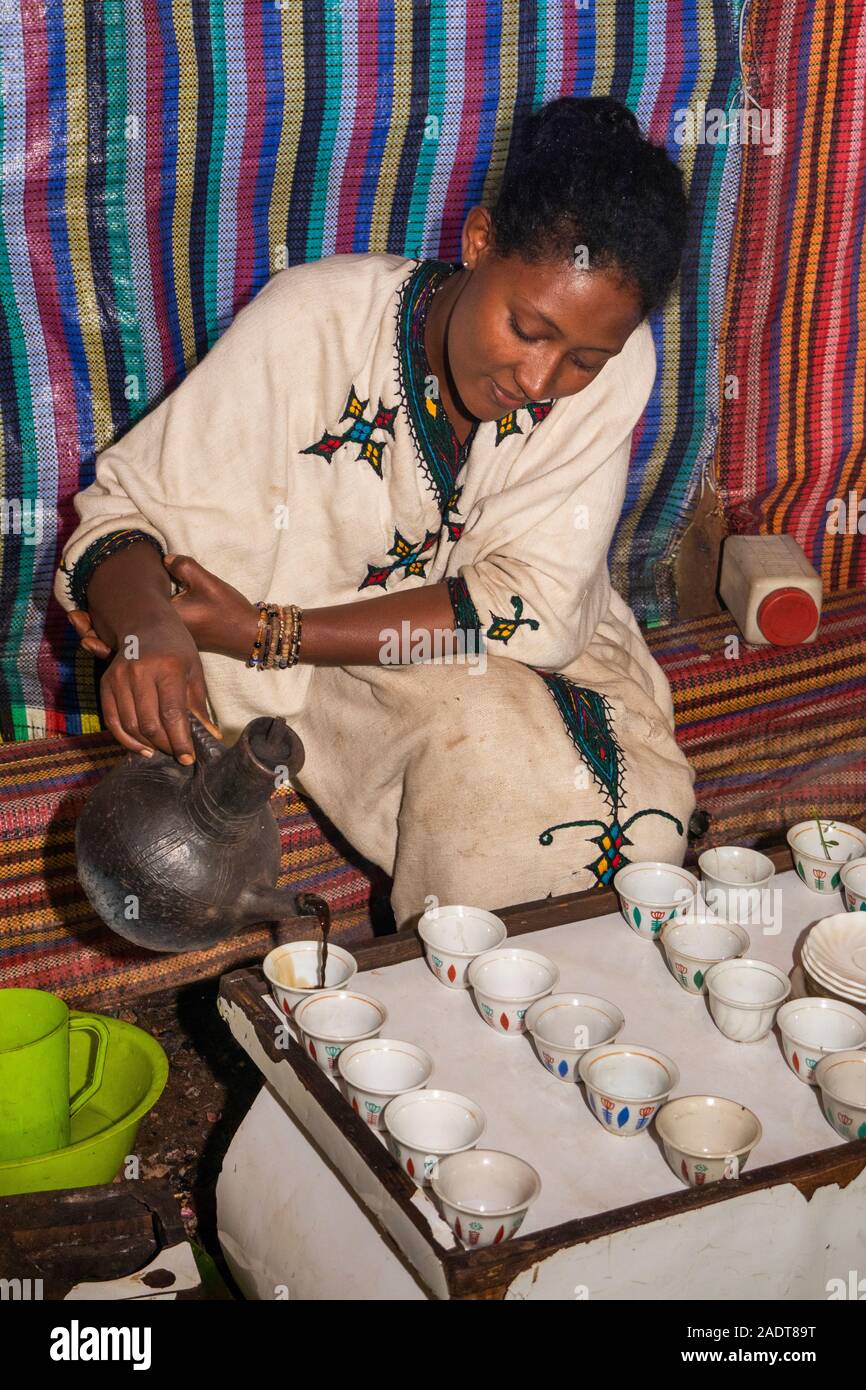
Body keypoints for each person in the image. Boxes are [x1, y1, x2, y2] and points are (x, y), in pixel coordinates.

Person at [55, 95, 697, 930]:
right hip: (334, 665)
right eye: (525, 328)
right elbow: (127, 516)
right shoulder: (313, 325)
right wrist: (153, 631)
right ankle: (465, 1005)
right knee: (491, 787)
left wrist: (264, 630)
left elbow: (533, 605)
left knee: (640, 828)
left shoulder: (620, 361)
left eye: (581, 358)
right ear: (477, 243)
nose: (540, 383)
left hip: (536, 638)